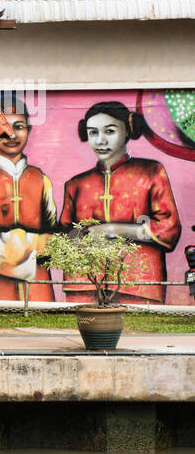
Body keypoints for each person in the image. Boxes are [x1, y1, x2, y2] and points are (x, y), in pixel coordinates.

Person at [60, 101, 182, 305]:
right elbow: (63, 235)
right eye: (93, 133)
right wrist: (83, 236)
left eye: (109, 131)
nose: (100, 140)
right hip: (84, 283)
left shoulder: (150, 172)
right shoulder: (76, 184)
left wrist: (113, 229)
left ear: (128, 130)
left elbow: (168, 227)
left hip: (138, 282)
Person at [0, 108, 57, 302]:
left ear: (29, 131)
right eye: (2, 128)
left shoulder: (40, 178)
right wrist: (40, 244)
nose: (11, 134)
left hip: (38, 287)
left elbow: (53, 230)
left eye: (19, 127)